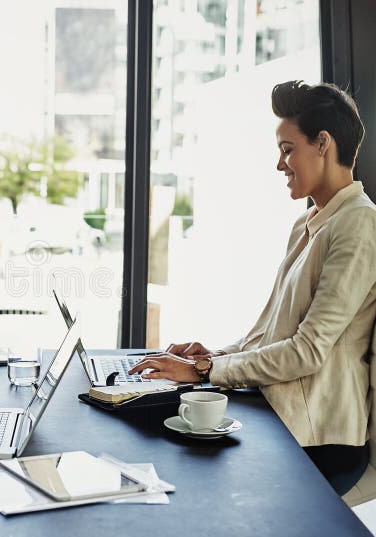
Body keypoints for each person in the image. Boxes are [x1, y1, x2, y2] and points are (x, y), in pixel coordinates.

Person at [129, 80, 375, 495]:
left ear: (323, 144)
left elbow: (307, 350)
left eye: (287, 149)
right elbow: (270, 333)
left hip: (321, 439)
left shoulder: (359, 224)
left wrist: (207, 372)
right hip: (283, 417)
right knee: (159, 436)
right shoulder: (310, 223)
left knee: (186, 467)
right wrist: (214, 355)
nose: (280, 164)